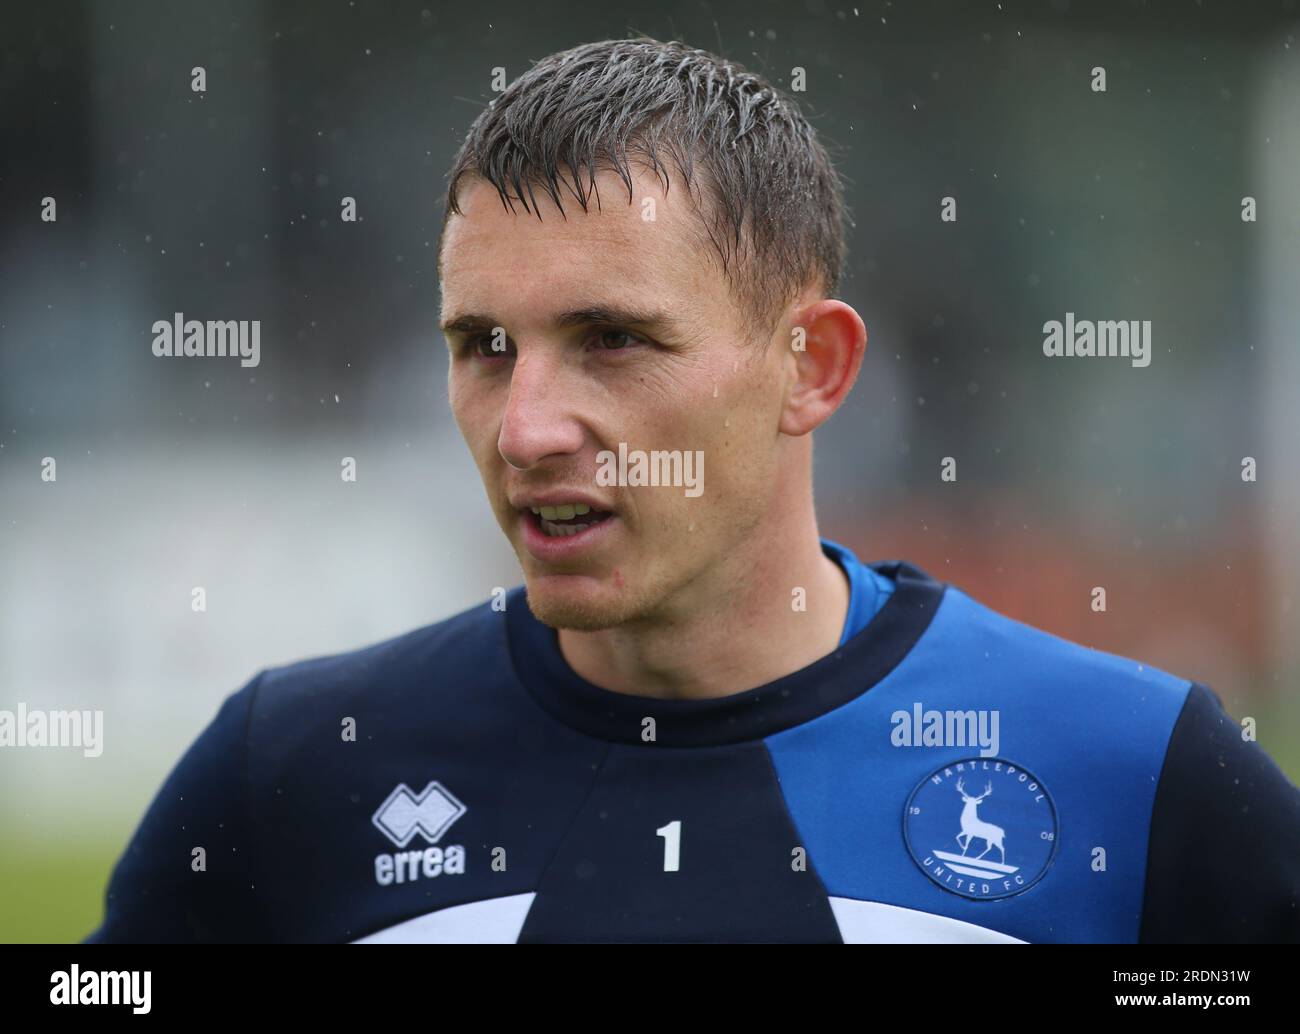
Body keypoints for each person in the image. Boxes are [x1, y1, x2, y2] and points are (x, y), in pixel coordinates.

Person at [87, 36, 1300, 944]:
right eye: (483, 345)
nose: (526, 427)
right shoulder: (288, 770)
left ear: (810, 367)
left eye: (613, 338)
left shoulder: (1135, 770)